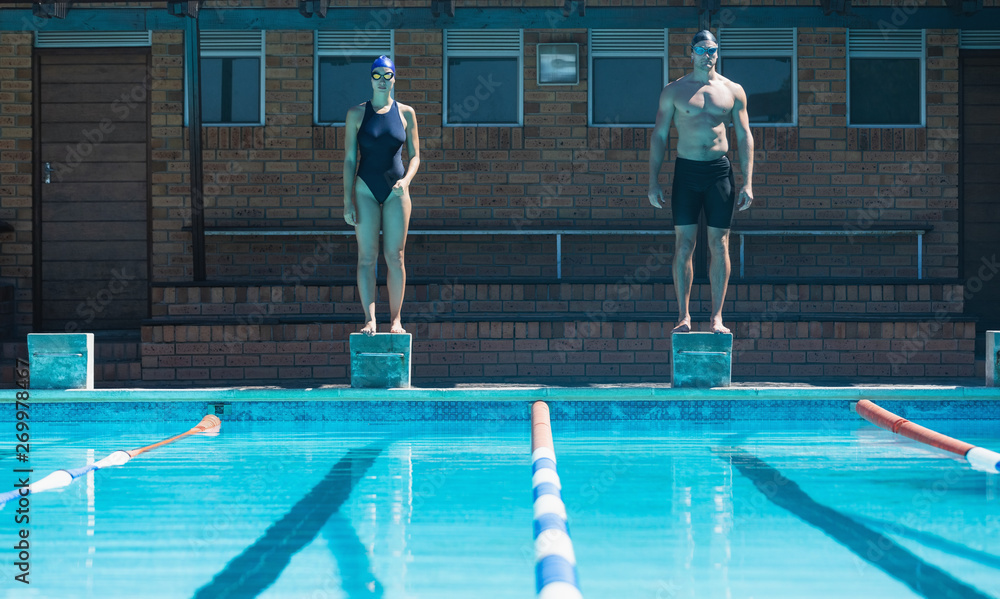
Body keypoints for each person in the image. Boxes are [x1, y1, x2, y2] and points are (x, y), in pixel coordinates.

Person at [648, 30, 754, 335]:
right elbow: (659, 135)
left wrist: (748, 182)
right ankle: (684, 316)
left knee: (720, 244)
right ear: (691, 53)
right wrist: (652, 182)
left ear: (718, 54)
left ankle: (717, 317)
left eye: (713, 51)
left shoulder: (733, 90)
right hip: (687, 173)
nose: (708, 56)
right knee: (685, 244)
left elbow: (745, 136)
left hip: (719, 173)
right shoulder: (674, 91)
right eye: (702, 50)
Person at [343, 55, 420, 335]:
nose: (382, 81)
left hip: (397, 190)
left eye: (388, 75)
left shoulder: (406, 113)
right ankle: (369, 320)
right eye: (377, 75)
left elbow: (415, 157)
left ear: (394, 79)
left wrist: (407, 181)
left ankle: (396, 320)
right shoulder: (356, 113)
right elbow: (350, 159)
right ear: (370, 79)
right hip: (365, 188)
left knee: (395, 256)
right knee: (366, 256)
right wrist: (346, 199)